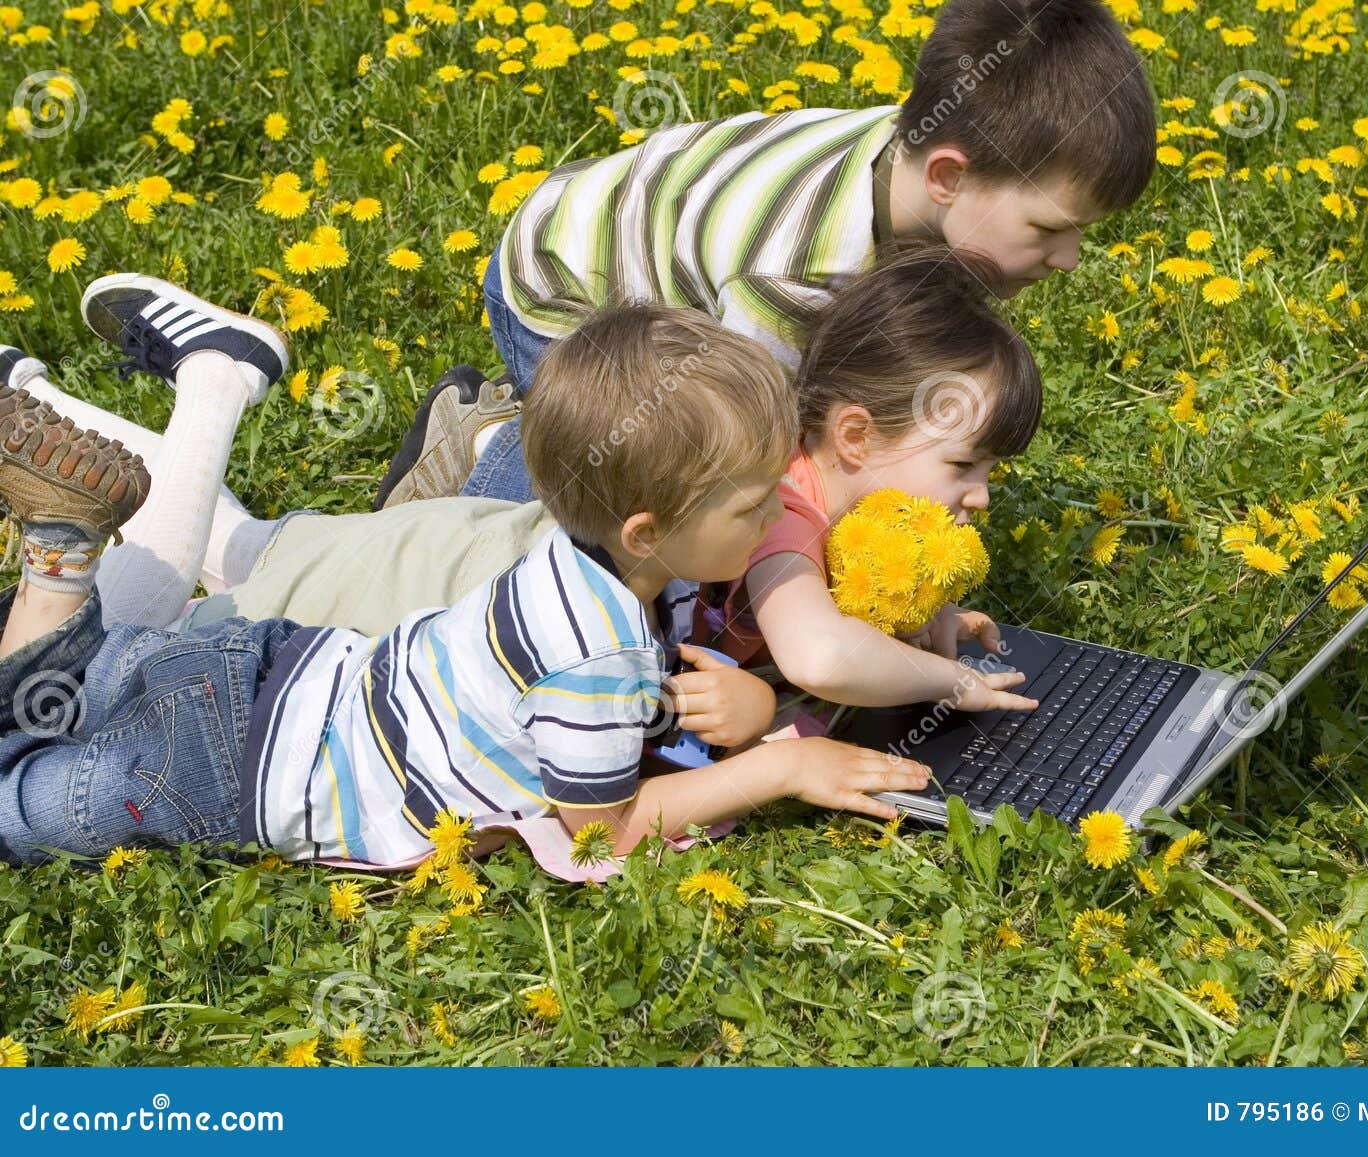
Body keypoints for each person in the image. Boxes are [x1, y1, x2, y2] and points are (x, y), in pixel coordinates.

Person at [0, 277, 928, 869]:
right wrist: (782, 766)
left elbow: (625, 710)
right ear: (648, 529)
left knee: (65, 690)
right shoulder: (596, 646)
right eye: (755, 504)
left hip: (277, 668)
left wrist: (754, 712)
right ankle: (58, 564)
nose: (777, 520)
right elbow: (602, 826)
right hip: (234, 767)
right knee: (14, 794)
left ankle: (59, 560)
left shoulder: (585, 559)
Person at [377, 0, 1157, 507]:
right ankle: (480, 454)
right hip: (566, 291)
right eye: (1051, 229)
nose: (1070, 259)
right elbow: (746, 442)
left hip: (678, 270)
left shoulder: (939, 164)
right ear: (950, 176)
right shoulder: (795, 264)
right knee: (636, 493)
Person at [696, 246, 1044, 711]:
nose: (981, 496)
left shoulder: (850, 507)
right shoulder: (779, 510)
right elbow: (818, 658)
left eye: (990, 470)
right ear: (856, 436)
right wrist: (950, 679)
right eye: (962, 465)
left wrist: (918, 614)